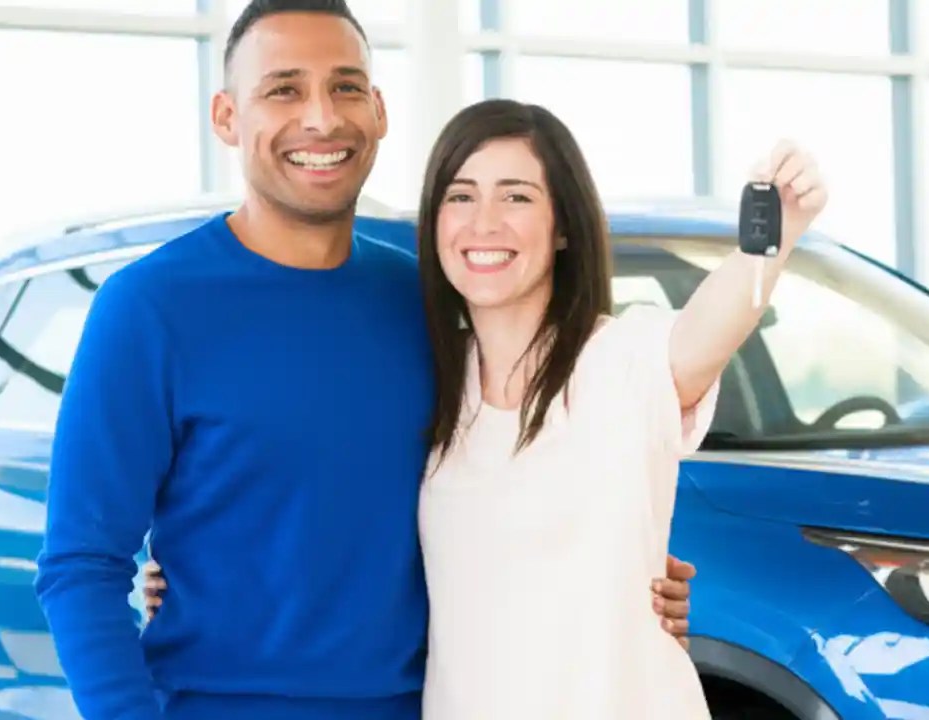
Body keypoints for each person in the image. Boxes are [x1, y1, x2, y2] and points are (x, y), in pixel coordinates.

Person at [36, 2, 693, 719]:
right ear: (227, 117)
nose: (321, 118)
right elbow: (81, 567)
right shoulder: (148, 309)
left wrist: (631, 572)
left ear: (379, 111)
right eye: (283, 88)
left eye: (346, 87)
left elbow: (531, 461)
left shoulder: (430, 298)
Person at [411, 101, 825, 718]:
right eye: (461, 196)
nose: (485, 223)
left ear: (562, 227)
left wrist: (778, 229)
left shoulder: (619, 361)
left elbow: (710, 328)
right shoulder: (431, 382)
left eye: (517, 197)